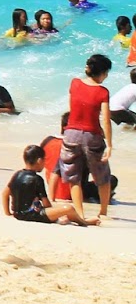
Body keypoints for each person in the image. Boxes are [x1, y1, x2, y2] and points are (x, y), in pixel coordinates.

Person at [60, 53, 114, 224]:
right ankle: (103, 212)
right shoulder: (102, 92)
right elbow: (105, 119)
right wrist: (110, 144)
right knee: (102, 176)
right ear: (103, 72)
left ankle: (79, 213)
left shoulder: (74, 83)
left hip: (71, 133)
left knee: (74, 177)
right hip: (92, 136)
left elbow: (73, 108)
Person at [3, 145, 86, 226]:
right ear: (39, 161)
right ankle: (84, 222)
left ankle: (75, 219)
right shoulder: (37, 179)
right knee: (68, 208)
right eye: (44, 160)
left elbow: (5, 194)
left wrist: (9, 213)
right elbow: (46, 204)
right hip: (33, 215)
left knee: (64, 211)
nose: (44, 163)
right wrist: (56, 215)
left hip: (18, 214)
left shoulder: (17, 175)